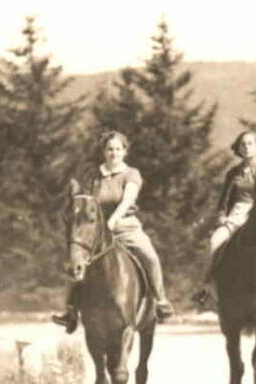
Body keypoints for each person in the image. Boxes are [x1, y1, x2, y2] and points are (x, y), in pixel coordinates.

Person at [52, 130, 172, 332]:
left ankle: (161, 301)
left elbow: (127, 201)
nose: (113, 153)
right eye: (109, 149)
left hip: (125, 227)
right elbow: (86, 203)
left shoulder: (131, 174)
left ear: (124, 151)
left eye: (117, 149)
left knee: (149, 255)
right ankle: (70, 311)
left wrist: (112, 221)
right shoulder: (94, 176)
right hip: (97, 232)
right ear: (103, 151)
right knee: (77, 260)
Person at [193, 131, 256, 308]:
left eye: (250, 144)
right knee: (214, 241)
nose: (246, 147)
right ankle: (204, 285)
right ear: (238, 148)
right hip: (237, 213)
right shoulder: (233, 173)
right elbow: (224, 201)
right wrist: (222, 217)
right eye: (243, 144)